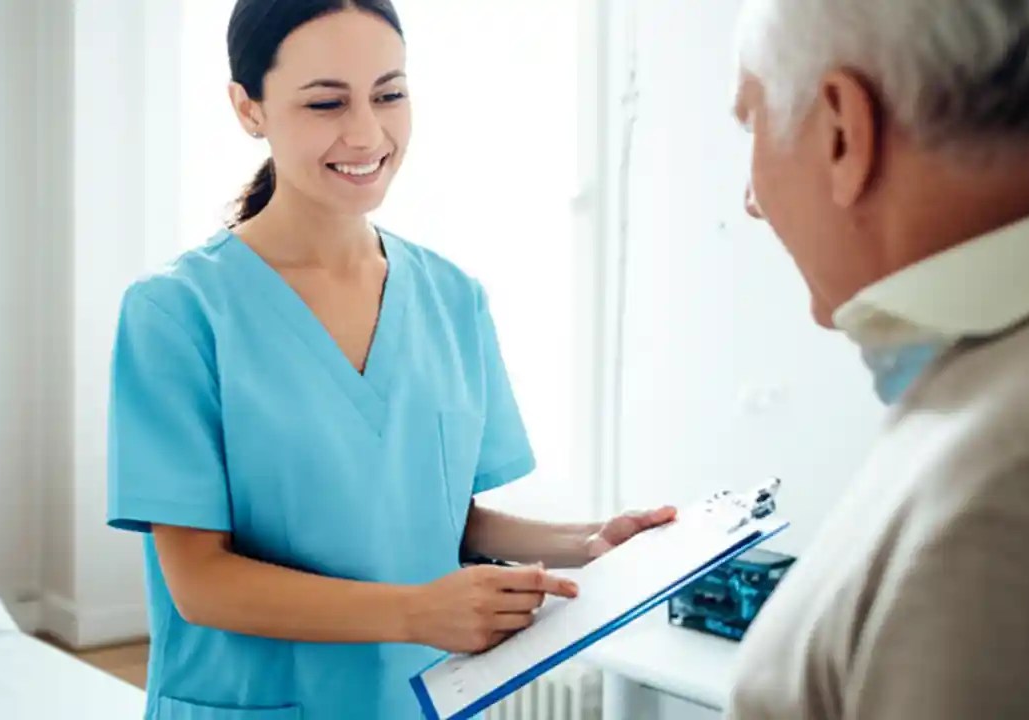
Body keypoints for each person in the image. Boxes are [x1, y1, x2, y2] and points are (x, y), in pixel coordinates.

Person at [105, 1, 675, 718]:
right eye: (326, 102)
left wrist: (589, 541)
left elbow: (439, 518)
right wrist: (415, 612)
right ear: (249, 109)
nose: (367, 133)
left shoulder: (452, 297)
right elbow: (200, 582)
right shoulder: (176, 313)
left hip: (415, 700)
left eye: (389, 94)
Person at [727, 1, 1029, 718]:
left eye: (753, 125)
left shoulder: (1011, 484)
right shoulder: (984, 390)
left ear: (843, 130)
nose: (751, 200)